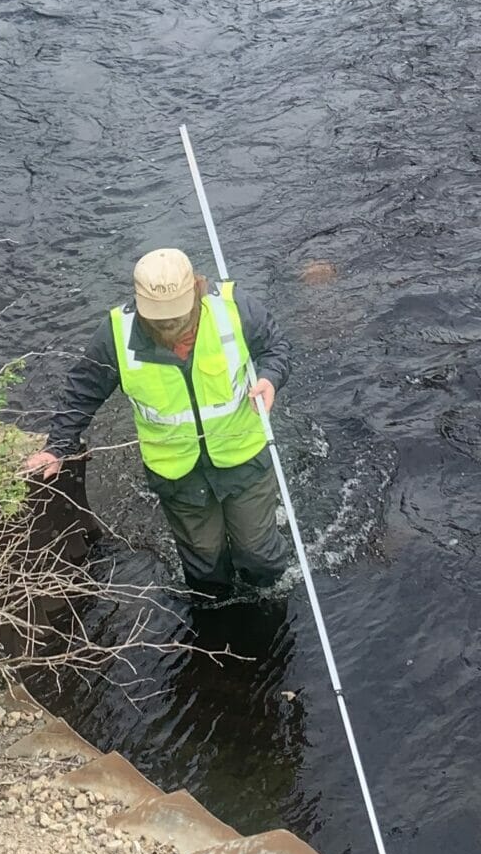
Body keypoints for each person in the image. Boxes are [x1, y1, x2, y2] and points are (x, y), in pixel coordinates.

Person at [24, 246, 292, 598]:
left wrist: (270, 377)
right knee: (206, 572)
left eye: (176, 316)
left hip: (243, 458)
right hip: (177, 475)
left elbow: (276, 347)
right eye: (159, 318)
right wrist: (57, 446)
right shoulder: (115, 334)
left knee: (259, 559)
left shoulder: (235, 308)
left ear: (196, 290)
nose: (169, 325)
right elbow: (83, 390)